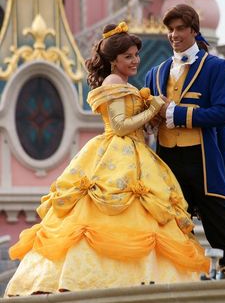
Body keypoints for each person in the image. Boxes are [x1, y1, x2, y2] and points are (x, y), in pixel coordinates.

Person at [4, 21, 209, 297]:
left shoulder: (125, 84)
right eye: (128, 56)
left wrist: (151, 115)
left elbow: (135, 126)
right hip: (117, 153)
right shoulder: (113, 83)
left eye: (136, 54)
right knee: (110, 215)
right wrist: (153, 110)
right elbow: (121, 125)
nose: (135, 60)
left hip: (135, 154)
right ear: (113, 61)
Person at [145, 4, 225, 278]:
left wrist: (177, 114)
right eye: (170, 30)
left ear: (194, 31)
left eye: (180, 28)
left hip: (204, 161)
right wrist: (150, 121)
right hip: (167, 163)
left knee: (224, 235)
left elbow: (222, 114)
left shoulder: (217, 67)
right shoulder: (154, 73)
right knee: (169, 231)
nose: (174, 34)